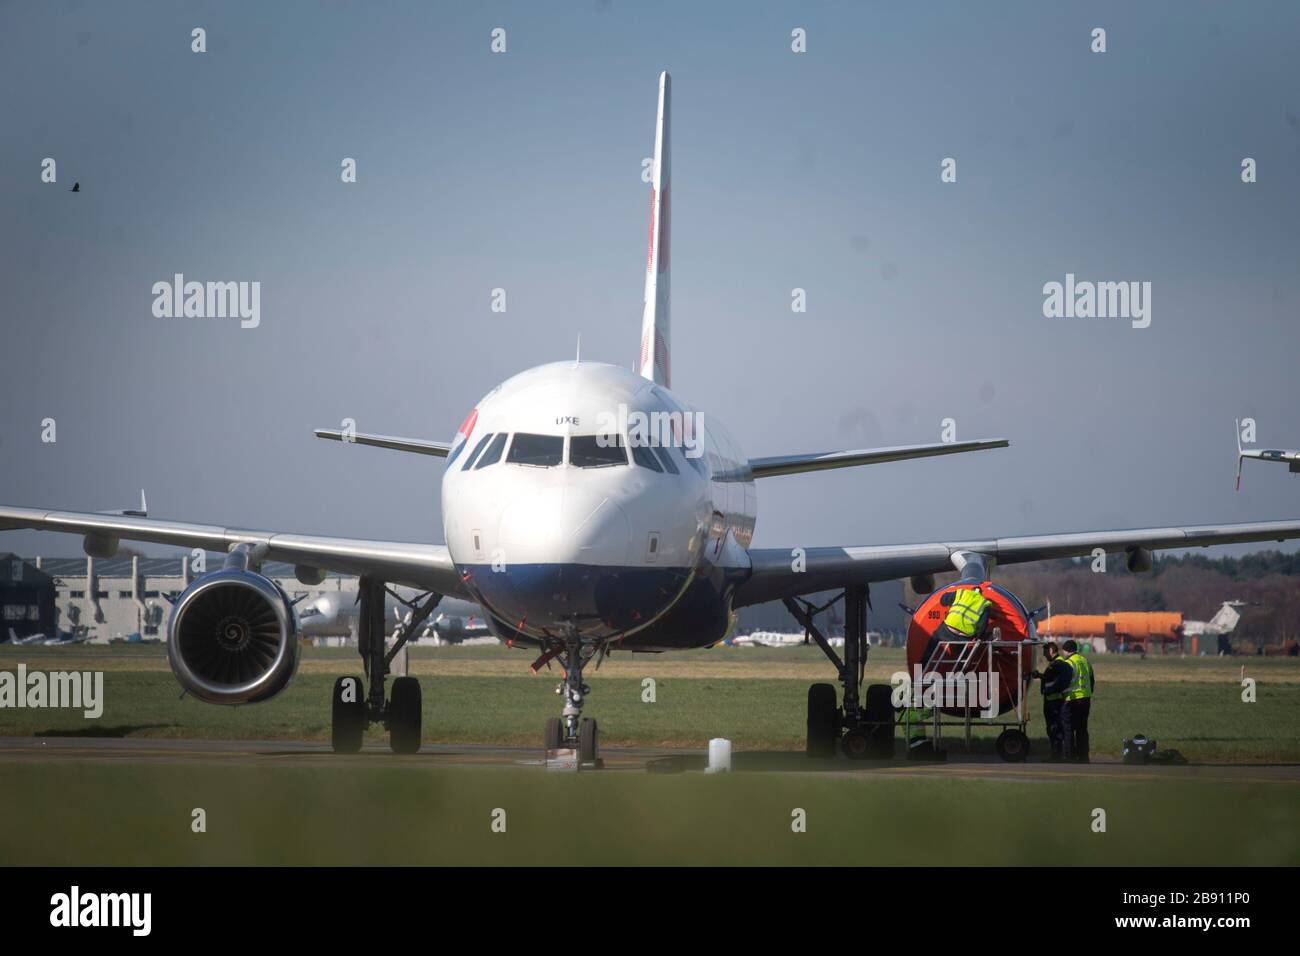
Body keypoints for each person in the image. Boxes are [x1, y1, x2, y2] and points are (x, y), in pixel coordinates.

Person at [922, 585, 993, 667]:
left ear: (971, 590)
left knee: (935, 637)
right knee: (962, 650)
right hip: (965, 636)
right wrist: (978, 637)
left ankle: (923, 664)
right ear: (981, 594)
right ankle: (963, 670)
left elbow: (943, 600)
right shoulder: (984, 603)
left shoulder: (962, 593)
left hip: (949, 631)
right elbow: (982, 626)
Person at [1032, 642, 1074, 761]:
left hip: (1054, 702)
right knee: (1053, 728)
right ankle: (1056, 754)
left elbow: (1060, 681)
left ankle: (1057, 755)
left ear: (1051, 650)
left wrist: (1050, 690)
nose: (1044, 655)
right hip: (1052, 700)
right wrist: (1040, 676)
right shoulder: (1055, 664)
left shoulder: (1059, 663)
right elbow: (1052, 678)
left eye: (1045, 652)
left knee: (1054, 728)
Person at [1060, 639, 1096, 763]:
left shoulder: (1068, 663)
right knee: (1082, 729)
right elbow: (1091, 679)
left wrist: (1062, 695)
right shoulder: (1085, 661)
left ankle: (1069, 756)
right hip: (1085, 699)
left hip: (1072, 699)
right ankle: (1083, 756)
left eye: (1063, 651)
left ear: (1066, 650)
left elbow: (1064, 682)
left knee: (1068, 729)